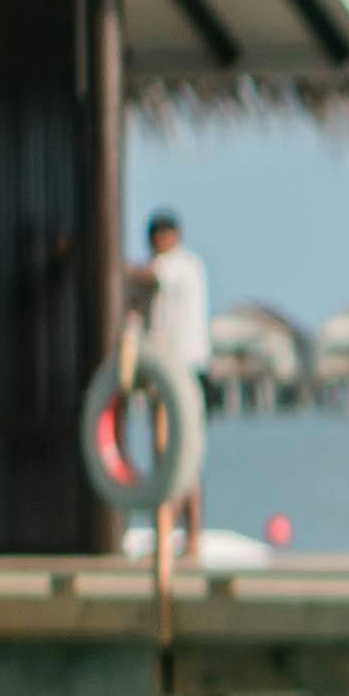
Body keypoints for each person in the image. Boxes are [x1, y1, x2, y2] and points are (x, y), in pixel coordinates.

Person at [126, 207, 209, 564]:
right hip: (171, 371)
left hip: (181, 371)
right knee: (175, 456)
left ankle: (183, 538)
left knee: (176, 456)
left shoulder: (180, 265)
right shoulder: (183, 267)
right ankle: (177, 537)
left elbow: (149, 277)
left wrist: (109, 266)